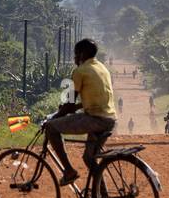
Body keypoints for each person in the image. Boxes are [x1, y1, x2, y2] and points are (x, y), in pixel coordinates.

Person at [43, 39, 116, 186]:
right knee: (89, 158)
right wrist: (75, 108)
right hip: (110, 119)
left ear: (81, 54)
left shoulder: (80, 71)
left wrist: (54, 117)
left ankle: (69, 171)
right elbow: (94, 97)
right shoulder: (102, 68)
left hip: (95, 119)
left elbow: (69, 102)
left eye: (75, 54)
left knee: (51, 128)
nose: (74, 58)